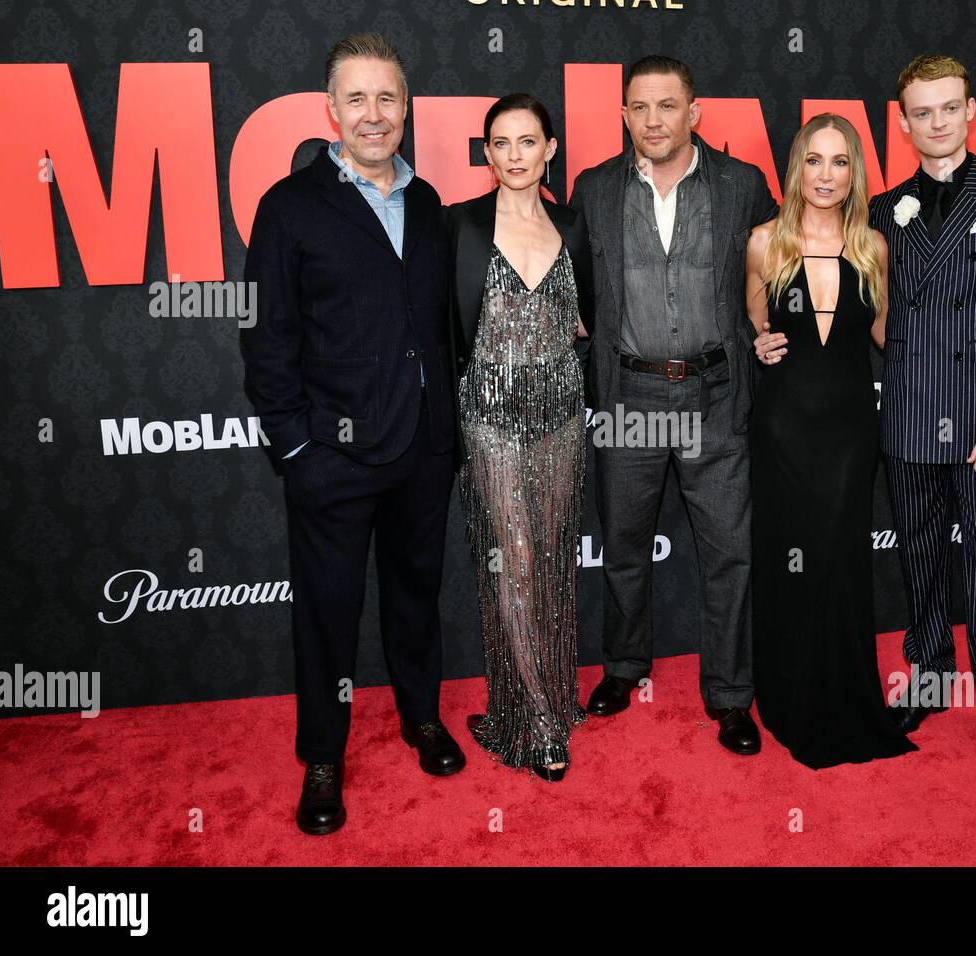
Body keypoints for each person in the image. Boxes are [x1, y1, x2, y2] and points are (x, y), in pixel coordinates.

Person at [765, 54, 976, 792]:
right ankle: (929, 682)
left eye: (948, 108)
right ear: (902, 124)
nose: (936, 122)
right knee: (922, 568)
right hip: (904, 422)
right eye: (921, 113)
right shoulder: (881, 213)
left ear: (970, 113)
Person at [241, 33, 465, 836]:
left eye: (388, 99)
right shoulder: (289, 206)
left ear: (407, 108)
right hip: (331, 456)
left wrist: (449, 435)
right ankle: (324, 756)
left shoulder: (432, 205)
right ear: (331, 111)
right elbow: (266, 339)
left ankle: (420, 718)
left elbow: (439, 327)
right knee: (327, 612)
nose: (375, 115)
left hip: (424, 451)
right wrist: (295, 448)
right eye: (358, 100)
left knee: (416, 599)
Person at [569, 55, 778, 754]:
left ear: (693, 112)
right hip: (629, 392)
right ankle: (623, 668)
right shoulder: (594, 188)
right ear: (624, 113)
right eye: (639, 107)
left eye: (667, 107)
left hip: (714, 393)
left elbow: (776, 268)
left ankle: (730, 695)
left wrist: (776, 334)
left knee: (729, 554)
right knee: (623, 544)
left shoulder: (743, 185)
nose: (652, 120)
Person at [745, 114, 918, 770]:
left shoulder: (873, 245)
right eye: (813, 160)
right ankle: (788, 694)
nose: (825, 175)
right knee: (789, 561)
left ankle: (843, 694)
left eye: (839, 162)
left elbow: (885, 337)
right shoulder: (764, 243)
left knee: (840, 564)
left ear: (855, 172)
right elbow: (757, 327)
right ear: (796, 168)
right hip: (783, 429)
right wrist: (759, 343)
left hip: (849, 430)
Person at [445, 94, 595, 782]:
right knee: (518, 560)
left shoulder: (573, 223)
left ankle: (540, 701)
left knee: (554, 557)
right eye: (499, 143)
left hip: (563, 413)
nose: (512, 155)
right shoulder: (460, 227)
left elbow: (587, 316)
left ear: (550, 149)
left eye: (526, 142)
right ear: (487, 151)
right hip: (491, 419)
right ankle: (536, 720)